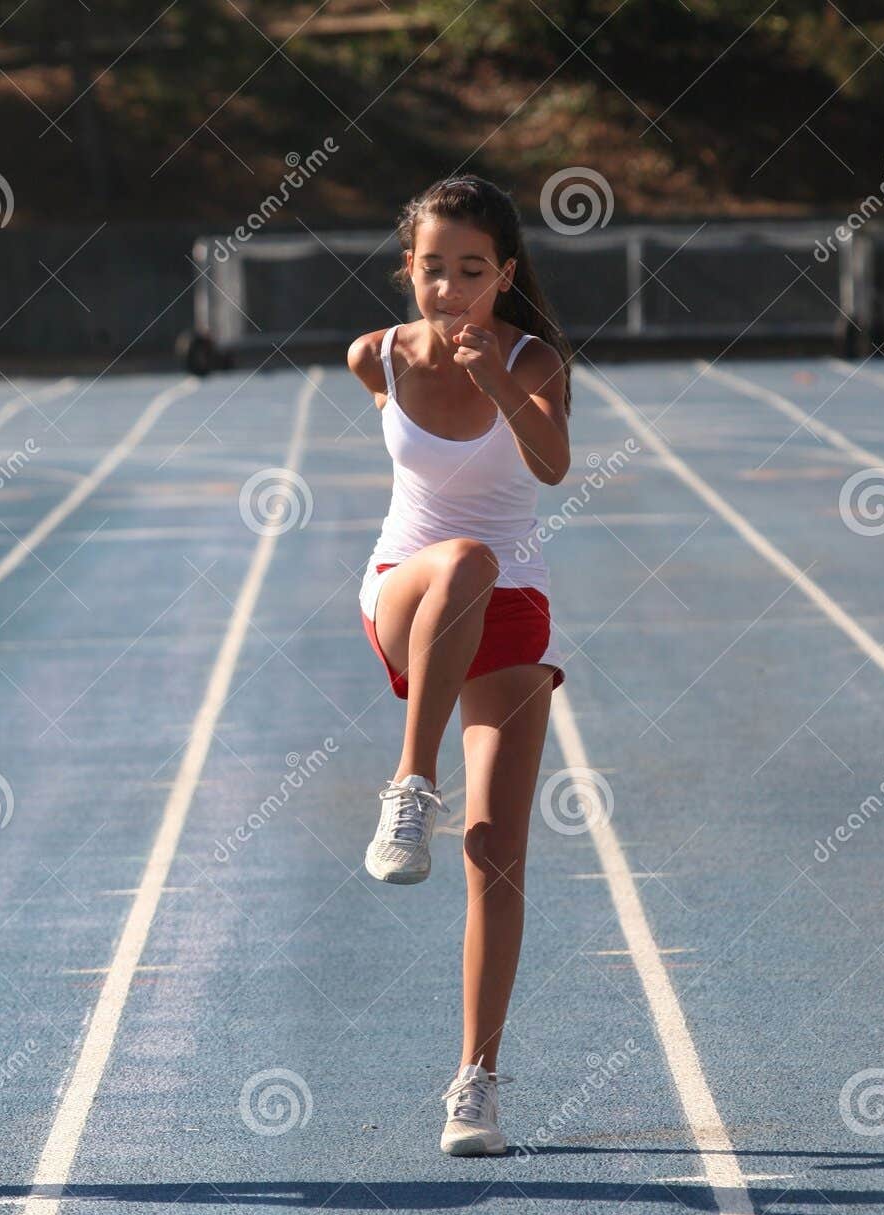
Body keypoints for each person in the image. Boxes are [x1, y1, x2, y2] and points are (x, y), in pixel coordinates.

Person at [346, 175, 572, 1158]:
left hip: (512, 605)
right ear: (408, 269)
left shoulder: (532, 360)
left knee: (495, 854)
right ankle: (408, 780)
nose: (448, 289)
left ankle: (475, 1081)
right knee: (462, 560)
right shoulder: (375, 358)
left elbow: (554, 466)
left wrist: (494, 380)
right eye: (431, 268)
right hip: (406, 587)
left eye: (470, 271)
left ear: (503, 275)